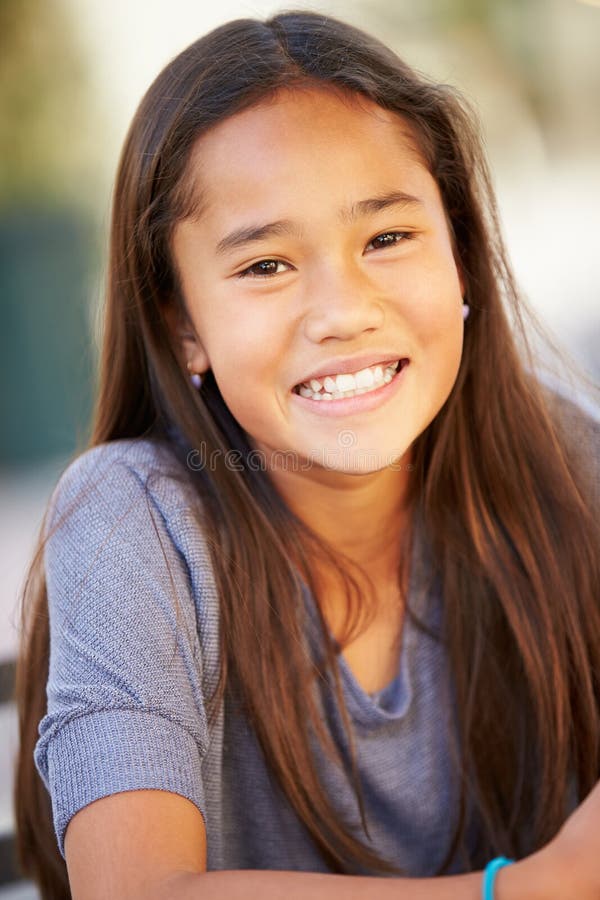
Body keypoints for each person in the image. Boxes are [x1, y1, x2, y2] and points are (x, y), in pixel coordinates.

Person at [13, 9, 600, 900]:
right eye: (265, 267)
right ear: (182, 326)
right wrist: (523, 890)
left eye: (389, 239)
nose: (342, 310)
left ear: (464, 262)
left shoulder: (562, 459)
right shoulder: (132, 521)